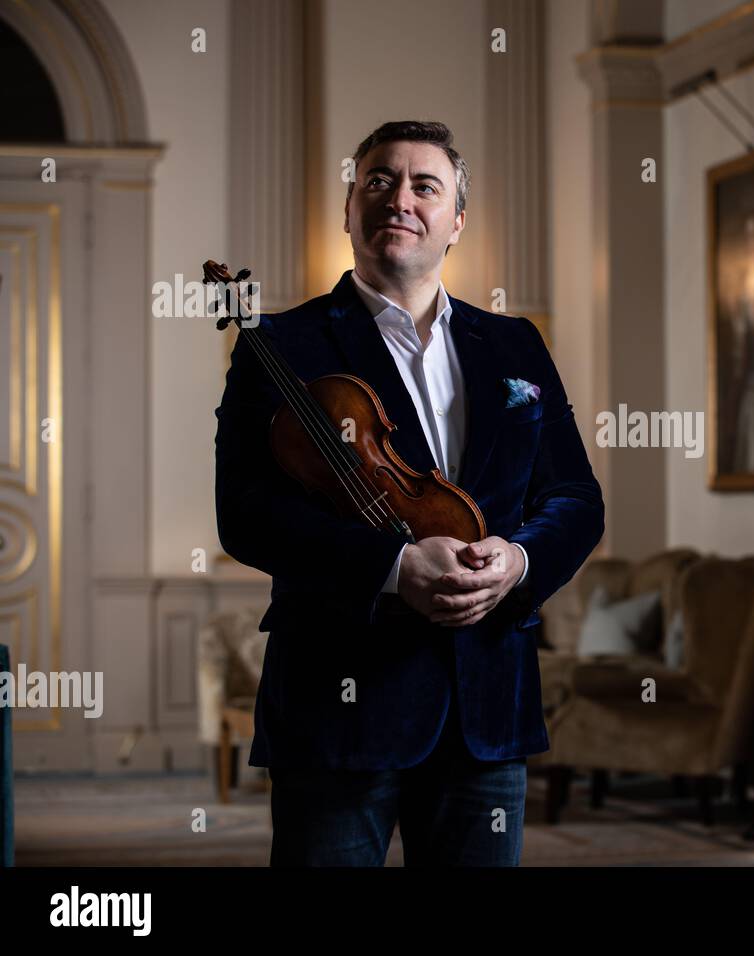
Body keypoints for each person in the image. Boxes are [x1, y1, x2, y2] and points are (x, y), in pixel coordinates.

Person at [214, 120, 604, 866]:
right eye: (379, 181)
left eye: (426, 186)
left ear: (456, 221)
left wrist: (519, 561)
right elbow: (246, 514)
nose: (400, 198)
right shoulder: (279, 344)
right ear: (350, 208)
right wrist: (391, 568)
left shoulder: (516, 345)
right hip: (337, 706)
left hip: (488, 707)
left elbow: (577, 498)